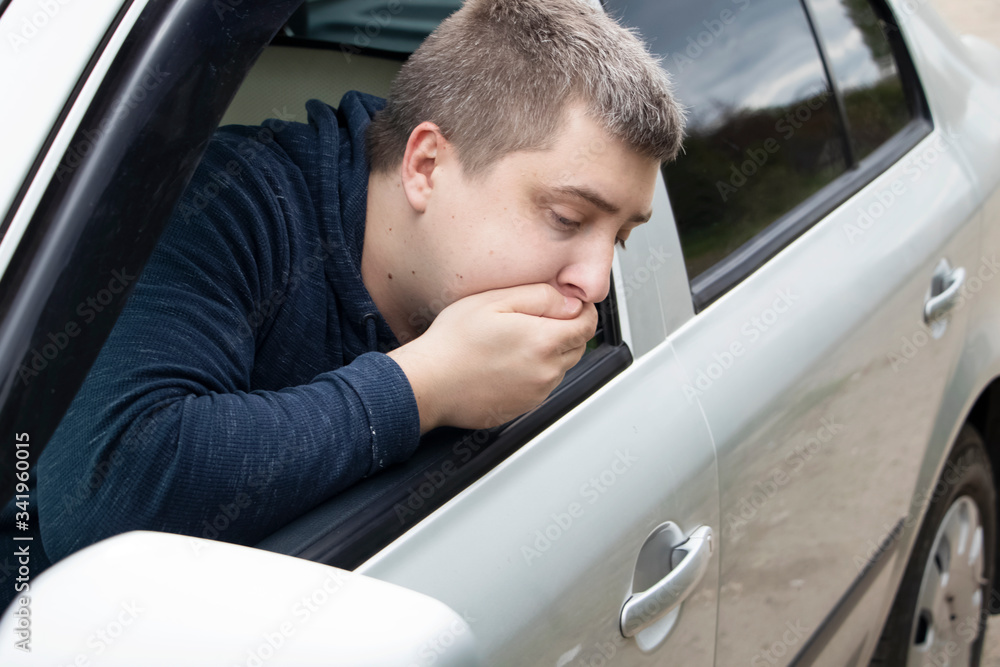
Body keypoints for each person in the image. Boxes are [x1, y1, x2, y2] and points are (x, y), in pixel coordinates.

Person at [20, 0, 685, 580]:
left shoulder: (542, 298)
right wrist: (422, 387)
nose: (597, 284)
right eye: (567, 218)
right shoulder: (227, 206)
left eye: (621, 237)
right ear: (425, 166)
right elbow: (104, 490)